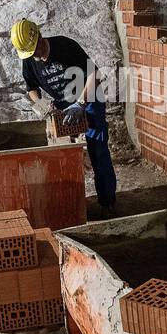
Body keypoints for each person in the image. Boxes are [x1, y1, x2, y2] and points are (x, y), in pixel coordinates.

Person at [10, 18, 117, 216]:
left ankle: (107, 203)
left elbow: (95, 75)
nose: (35, 57)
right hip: (62, 102)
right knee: (61, 153)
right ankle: (71, 205)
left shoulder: (64, 45)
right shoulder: (28, 60)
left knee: (97, 149)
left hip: (89, 96)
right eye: (30, 54)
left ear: (40, 37)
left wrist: (81, 104)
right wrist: (42, 106)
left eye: (36, 51)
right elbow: (31, 88)